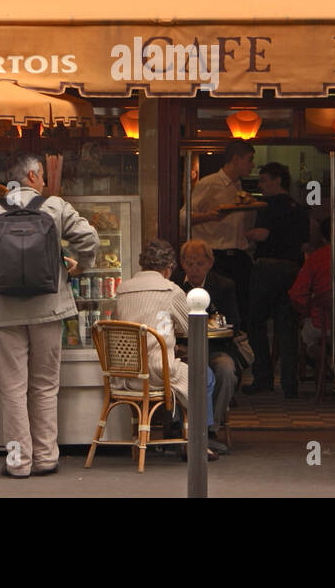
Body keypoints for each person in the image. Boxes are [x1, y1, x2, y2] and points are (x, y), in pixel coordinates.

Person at [0, 152, 98, 478]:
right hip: (49, 307)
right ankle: (45, 457)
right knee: (44, 385)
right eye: (41, 177)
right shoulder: (55, 207)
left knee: (12, 387)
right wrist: (80, 266)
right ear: (32, 177)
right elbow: (90, 238)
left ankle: (18, 461)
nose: (43, 182)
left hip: (6, 310)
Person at [112, 239, 218, 458]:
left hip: (124, 373)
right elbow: (192, 328)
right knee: (203, 374)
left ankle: (182, 433)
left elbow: (118, 325)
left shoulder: (122, 289)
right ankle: (197, 440)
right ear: (169, 268)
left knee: (182, 373)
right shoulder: (171, 290)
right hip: (158, 372)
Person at [244, 161, 310, 397]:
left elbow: (262, 234)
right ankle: (290, 385)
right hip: (293, 269)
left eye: (263, 180)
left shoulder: (266, 205)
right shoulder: (299, 208)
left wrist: (245, 233)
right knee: (287, 326)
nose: (260, 185)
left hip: (267, 268)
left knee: (255, 323)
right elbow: (304, 244)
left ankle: (263, 376)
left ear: (277, 180)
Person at [174, 239, 241, 450]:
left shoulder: (224, 285)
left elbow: (235, 324)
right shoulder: (174, 285)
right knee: (173, 369)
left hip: (215, 348)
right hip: (181, 348)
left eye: (199, 263)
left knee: (226, 370)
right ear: (182, 263)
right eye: (189, 263)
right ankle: (178, 427)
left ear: (210, 263)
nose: (194, 269)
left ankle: (211, 428)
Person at [186, 139, 257, 324]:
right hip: (216, 257)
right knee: (217, 310)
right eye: (249, 160)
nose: (252, 165)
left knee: (241, 312)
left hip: (239, 257)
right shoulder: (209, 183)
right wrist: (209, 216)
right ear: (235, 159)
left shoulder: (238, 187)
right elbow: (183, 217)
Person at [289, 218, 335, 352]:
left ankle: (322, 367)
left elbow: (296, 294)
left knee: (305, 337)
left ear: (323, 238)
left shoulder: (316, 257)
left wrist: (309, 309)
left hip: (321, 325)